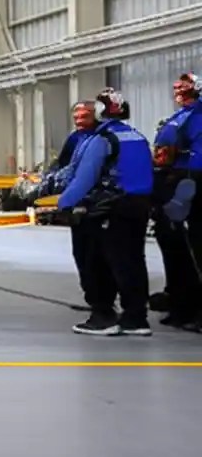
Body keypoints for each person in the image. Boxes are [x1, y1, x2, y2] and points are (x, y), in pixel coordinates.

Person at [56, 89, 155, 336]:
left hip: (111, 208)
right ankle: (136, 318)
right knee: (133, 261)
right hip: (140, 206)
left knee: (98, 262)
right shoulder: (137, 136)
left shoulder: (103, 139)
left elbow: (84, 178)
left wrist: (63, 204)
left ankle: (104, 316)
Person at [150, 72, 202, 331]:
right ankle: (183, 305)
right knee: (182, 246)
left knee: (182, 246)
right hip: (186, 180)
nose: (178, 91)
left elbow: (164, 151)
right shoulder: (184, 117)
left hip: (187, 181)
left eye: (183, 87)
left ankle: (187, 306)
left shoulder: (185, 118)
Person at [37, 101, 100, 310]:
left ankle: (103, 302)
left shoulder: (102, 138)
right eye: (77, 118)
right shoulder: (75, 138)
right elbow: (62, 165)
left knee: (97, 255)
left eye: (85, 117)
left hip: (98, 202)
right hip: (77, 202)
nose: (80, 122)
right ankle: (93, 296)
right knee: (81, 252)